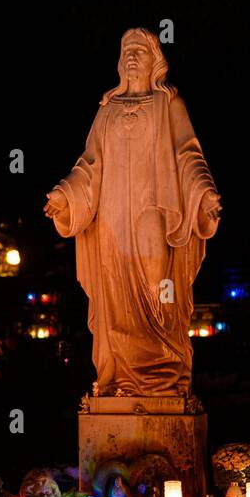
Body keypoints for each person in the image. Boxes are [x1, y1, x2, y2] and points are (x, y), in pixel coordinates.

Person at [44, 28, 222, 399]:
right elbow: (89, 166)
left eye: (140, 49)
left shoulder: (168, 104)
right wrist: (65, 195)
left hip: (154, 208)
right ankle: (123, 380)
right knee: (116, 296)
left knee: (161, 284)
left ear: (154, 58)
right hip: (111, 219)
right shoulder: (106, 110)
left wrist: (204, 194)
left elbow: (188, 156)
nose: (131, 56)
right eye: (126, 49)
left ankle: (164, 370)